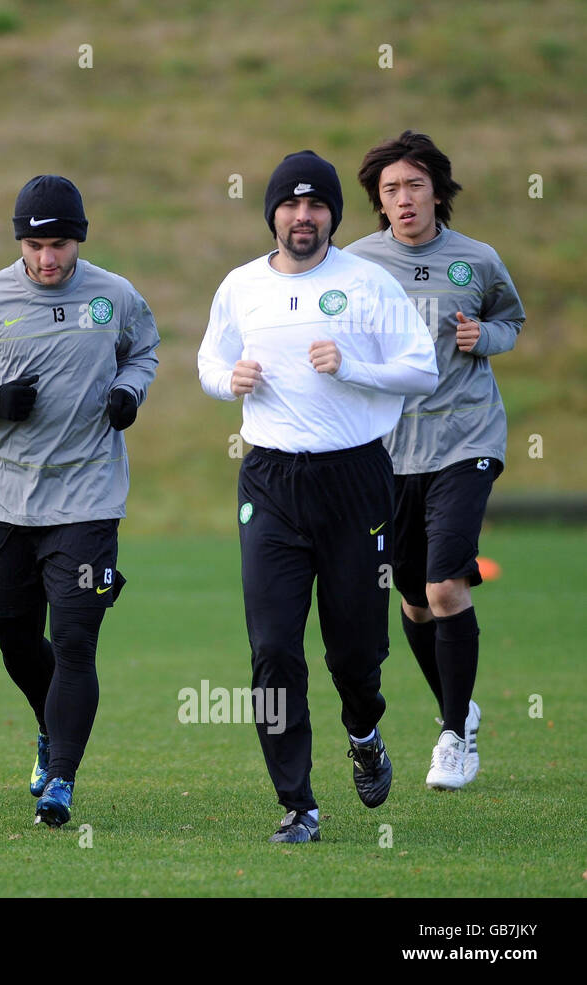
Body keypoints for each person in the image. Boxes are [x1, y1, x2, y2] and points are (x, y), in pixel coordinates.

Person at [197, 150, 439, 843]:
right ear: (272, 212)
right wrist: (229, 380)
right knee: (273, 646)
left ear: (333, 214)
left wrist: (353, 366)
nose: (303, 217)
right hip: (270, 482)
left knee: (354, 652)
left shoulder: (367, 283)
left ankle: (363, 729)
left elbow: (420, 369)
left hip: (355, 481)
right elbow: (210, 360)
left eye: (317, 206)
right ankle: (298, 803)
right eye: (291, 205)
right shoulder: (241, 286)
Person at [0, 175, 158, 827]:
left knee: (76, 640)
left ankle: (61, 782)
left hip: (87, 499)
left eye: (59, 244)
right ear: (19, 242)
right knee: (17, 643)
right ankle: (48, 727)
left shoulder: (114, 298)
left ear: (78, 240)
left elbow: (143, 351)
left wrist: (129, 393)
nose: (47, 258)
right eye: (35, 245)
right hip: (4, 499)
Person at [345, 131, 525, 791]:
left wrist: (488, 337)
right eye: (390, 189)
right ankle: (461, 705)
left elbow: (511, 320)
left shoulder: (476, 261)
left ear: (438, 192)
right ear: (379, 200)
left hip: (466, 438)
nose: (403, 199)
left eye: (414, 185)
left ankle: (453, 736)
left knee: (446, 585)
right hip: (390, 450)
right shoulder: (355, 265)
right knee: (415, 599)